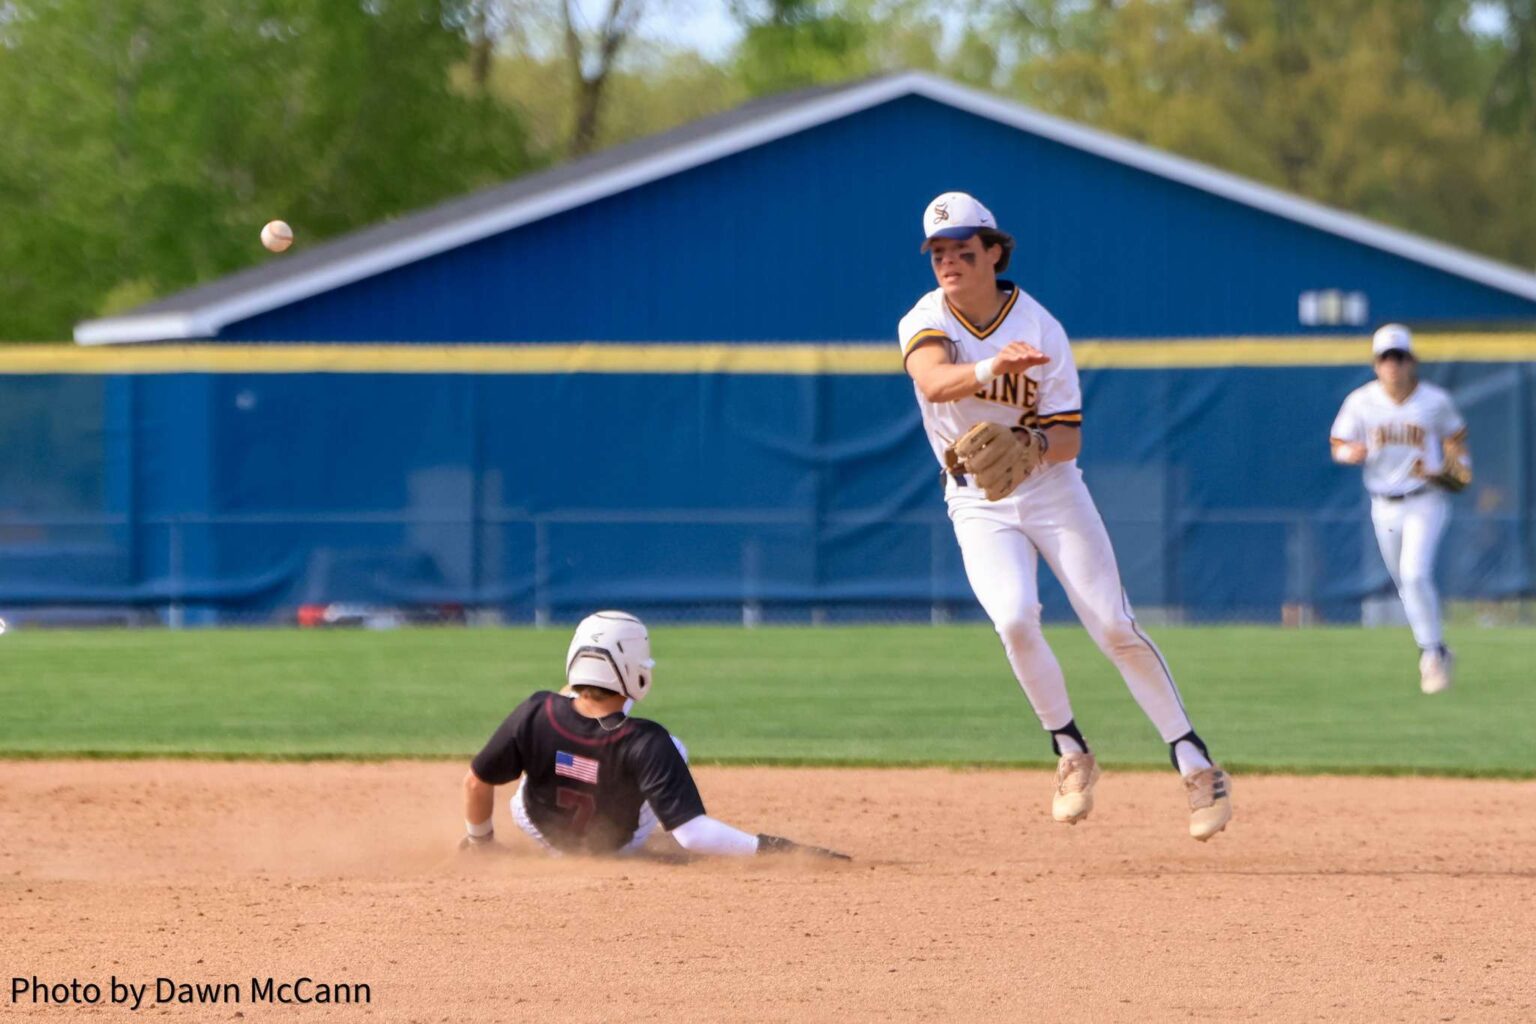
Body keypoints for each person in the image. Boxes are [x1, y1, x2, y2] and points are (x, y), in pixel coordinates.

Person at [898, 191, 1232, 841]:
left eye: (964, 251)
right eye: (939, 253)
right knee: (1015, 618)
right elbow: (935, 382)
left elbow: (1069, 438)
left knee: (1113, 623)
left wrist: (1033, 446)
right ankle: (1070, 749)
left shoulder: (1043, 329)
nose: (949, 263)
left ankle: (1195, 761)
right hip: (973, 497)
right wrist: (994, 366)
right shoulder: (924, 316)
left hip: (1051, 488)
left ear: (995, 252)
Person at [460, 610, 847, 859]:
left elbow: (476, 783)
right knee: (669, 751)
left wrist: (481, 844)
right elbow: (694, 837)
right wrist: (772, 848)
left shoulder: (535, 710)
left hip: (535, 829)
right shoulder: (648, 741)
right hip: (615, 849)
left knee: (547, 735)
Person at [1330, 324, 1471, 694]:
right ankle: (1438, 647)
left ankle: (1431, 656)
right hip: (1384, 505)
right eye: (1385, 358)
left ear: (1412, 361)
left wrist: (1447, 470)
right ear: (1376, 364)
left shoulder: (1434, 401)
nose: (1392, 364)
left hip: (1426, 499)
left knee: (1415, 574)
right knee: (1406, 584)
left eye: (1399, 357)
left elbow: (1459, 449)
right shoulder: (1361, 401)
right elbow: (1338, 443)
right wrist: (1350, 453)